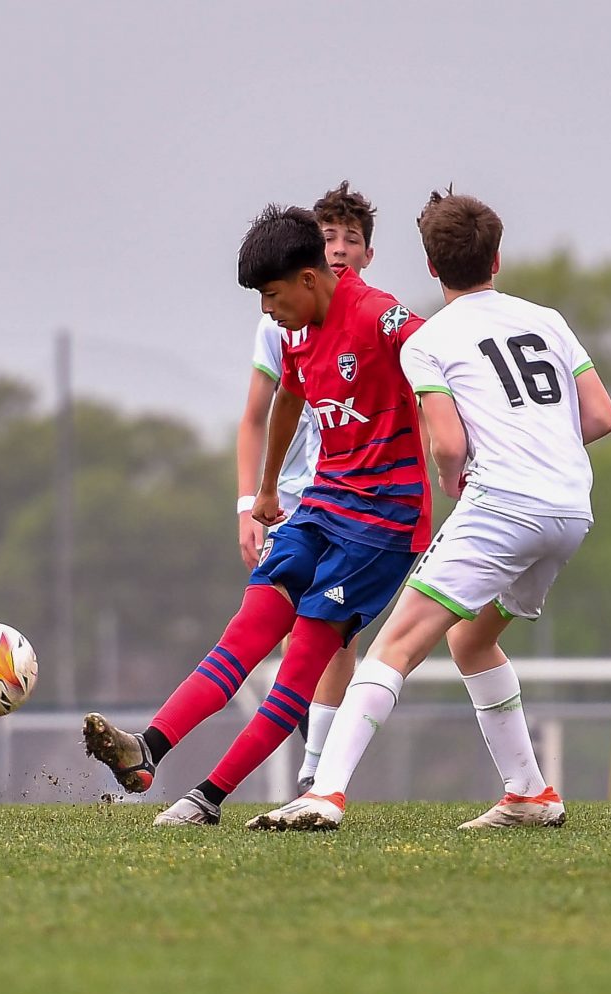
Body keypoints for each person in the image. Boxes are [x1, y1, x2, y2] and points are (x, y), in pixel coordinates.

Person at [247, 190, 611, 832]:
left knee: (395, 641)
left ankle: (322, 793)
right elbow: (602, 417)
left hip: (503, 505)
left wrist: (454, 475)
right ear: (497, 259)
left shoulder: (431, 337)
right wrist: (544, 451)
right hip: (569, 510)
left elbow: (446, 442)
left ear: (429, 267)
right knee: (470, 638)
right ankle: (528, 792)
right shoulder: (548, 319)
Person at [84, 203, 431, 825]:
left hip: (383, 524)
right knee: (245, 633)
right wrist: (267, 490)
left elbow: (443, 356)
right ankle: (147, 750)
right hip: (321, 505)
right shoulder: (297, 332)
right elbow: (289, 398)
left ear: (307, 278)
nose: (267, 311)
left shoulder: (382, 316)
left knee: (300, 661)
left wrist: (463, 443)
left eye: (271, 295)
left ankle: (208, 797)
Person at [236, 182, 377, 794]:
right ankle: (316, 761)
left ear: (368, 254)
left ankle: (318, 771)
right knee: (297, 630)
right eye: (330, 238)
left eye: (352, 239)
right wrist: (249, 503)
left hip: (355, 498)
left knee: (334, 630)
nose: (340, 248)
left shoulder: (376, 322)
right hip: (294, 500)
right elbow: (254, 417)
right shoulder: (279, 326)